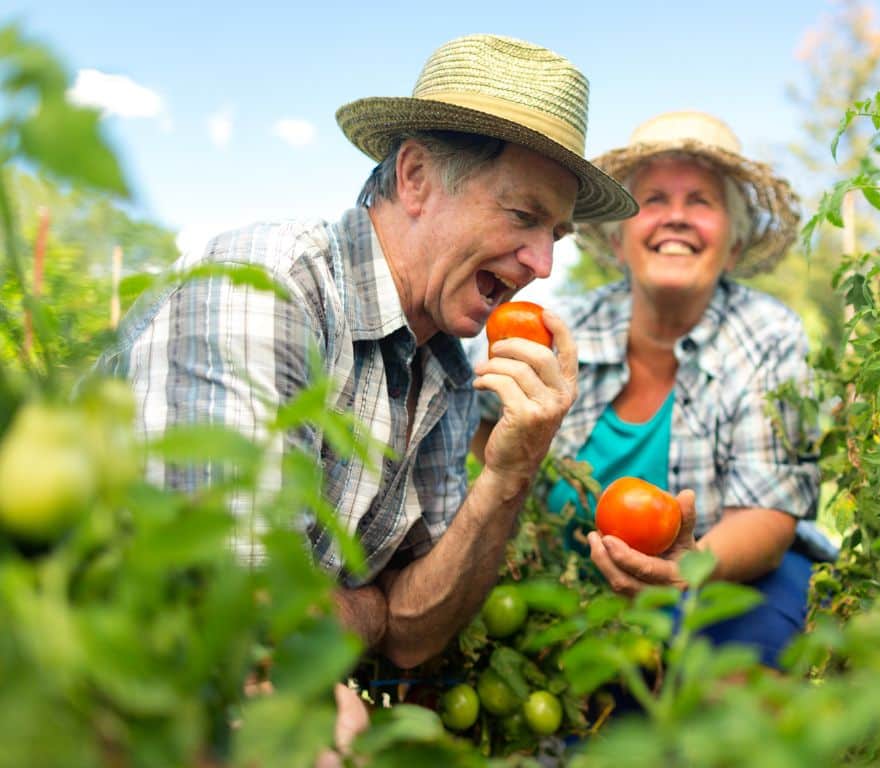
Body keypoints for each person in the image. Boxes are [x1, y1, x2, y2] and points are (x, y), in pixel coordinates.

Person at [101, 34, 636, 671]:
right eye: (523, 215)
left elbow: (414, 634)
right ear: (414, 178)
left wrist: (507, 474)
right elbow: (235, 618)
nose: (544, 265)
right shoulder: (268, 292)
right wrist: (368, 609)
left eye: (555, 234)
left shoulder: (448, 371)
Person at [476, 111, 835, 668]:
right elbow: (475, 424)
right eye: (654, 200)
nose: (676, 219)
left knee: (730, 696)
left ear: (733, 246)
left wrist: (685, 570)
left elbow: (768, 514)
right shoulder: (556, 328)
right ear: (618, 242)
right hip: (568, 588)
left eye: (701, 201)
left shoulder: (768, 333)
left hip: (724, 580)